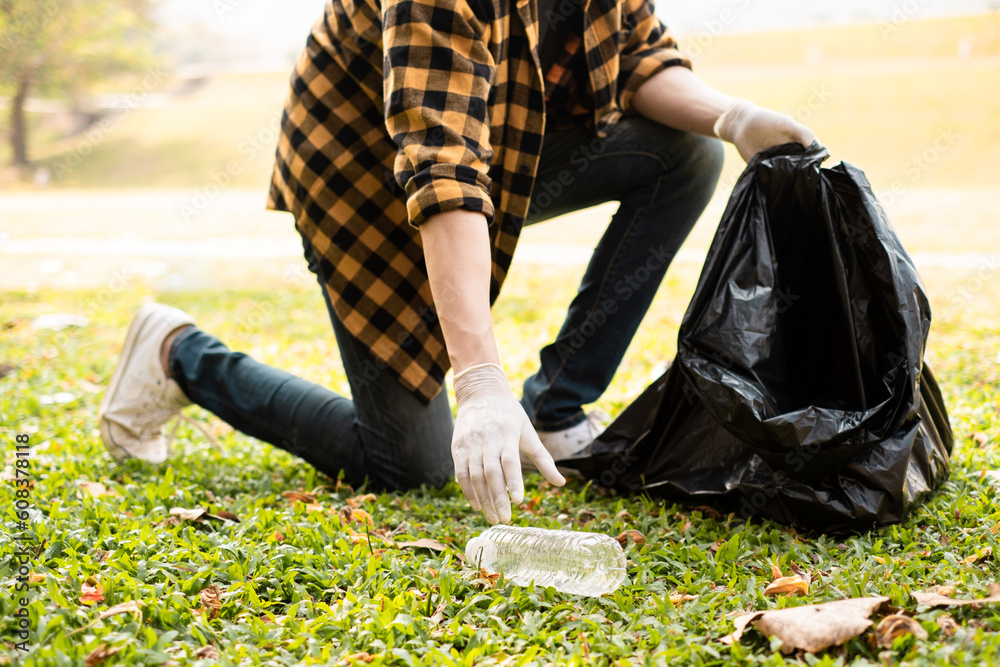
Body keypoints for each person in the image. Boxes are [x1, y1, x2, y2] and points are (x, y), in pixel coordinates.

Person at [98, 0, 816, 526]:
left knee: (686, 152)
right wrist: (477, 382)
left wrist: (731, 116)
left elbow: (639, 58)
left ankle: (557, 407)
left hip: (498, 149)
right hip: (361, 177)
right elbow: (444, 170)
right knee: (413, 465)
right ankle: (178, 352)